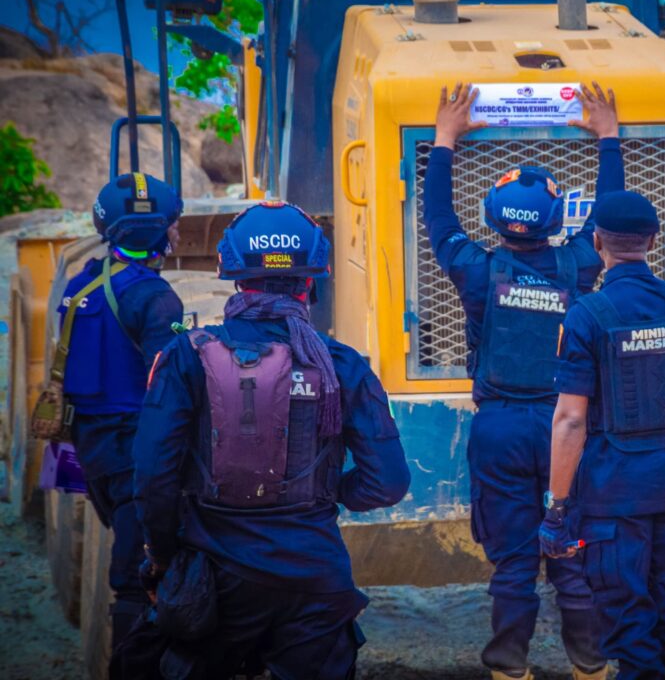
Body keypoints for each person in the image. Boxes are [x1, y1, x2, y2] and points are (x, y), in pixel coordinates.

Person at [124, 201, 411, 679]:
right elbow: (390, 483)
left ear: (234, 276)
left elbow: (153, 476)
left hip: (212, 578)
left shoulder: (186, 356)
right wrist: (326, 494)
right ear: (311, 280)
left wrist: (167, 559)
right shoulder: (343, 365)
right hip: (316, 579)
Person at [422, 81, 625, 680]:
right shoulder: (584, 264)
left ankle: (509, 667)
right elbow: (611, 218)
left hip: (501, 430)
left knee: (513, 561)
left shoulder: (476, 271)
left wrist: (444, 140)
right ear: (559, 220)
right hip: (569, 427)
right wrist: (609, 137)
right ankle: (590, 664)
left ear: (494, 219)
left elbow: (437, 219)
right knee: (572, 551)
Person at [541, 191, 665, 680]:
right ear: (653, 241)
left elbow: (571, 420)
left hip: (613, 501)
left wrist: (557, 507)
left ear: (597, 242)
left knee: (630, 625)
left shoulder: (586, 315)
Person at [58, 171, 184, 647]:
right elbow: (168, 387)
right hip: (137, 458)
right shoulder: (155, 298)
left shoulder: (80, 286)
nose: (175, 232)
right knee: (137, 576)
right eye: (171, 225)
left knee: (130, 551)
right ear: (154, 233)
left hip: (94, 454)